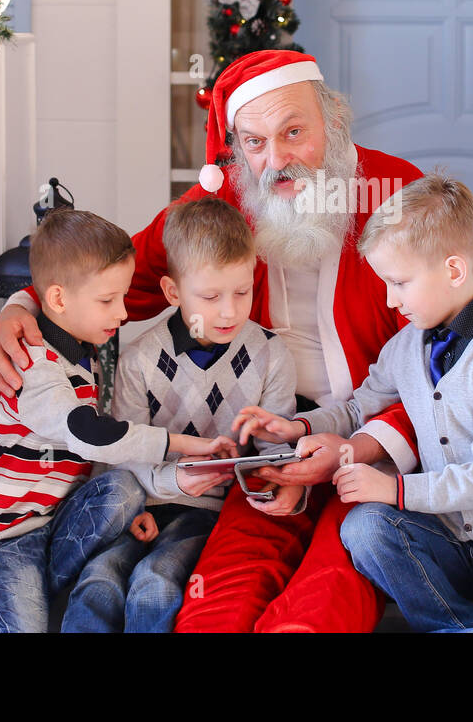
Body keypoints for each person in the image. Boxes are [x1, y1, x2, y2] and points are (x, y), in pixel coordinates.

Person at [0, 49, 423, 632]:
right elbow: (121, 276)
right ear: (236, 150)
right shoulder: (221, 204)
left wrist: (355, 449)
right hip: (255, 447)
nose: (278, 161)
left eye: (295, 132)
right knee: (218, 597)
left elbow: (450, 365)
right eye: (255, 142)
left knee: (330, 585)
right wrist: (24, 304)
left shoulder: (397, 193)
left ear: (334, 125)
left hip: (368, 441)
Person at [235, 174, 473, 632]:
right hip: (447, 537)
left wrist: (394, 490)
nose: (391, 299)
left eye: (399, 283)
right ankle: (445, 622)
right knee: (364, 528)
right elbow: (359, 409)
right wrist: (301, 427)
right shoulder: (407, 344)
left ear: (453, 271)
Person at [0, 208, 234, 633]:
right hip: (0, 536)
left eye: (123, 297)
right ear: (57, 300)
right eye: (108, 301)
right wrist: (184, 444)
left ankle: (42, 596)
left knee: (123, 490)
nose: (123, 313)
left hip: (50, 519)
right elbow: (89, 434)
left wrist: (127, 517)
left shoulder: (78, 342)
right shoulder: (35, 366)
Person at [60, 196, 303, 632]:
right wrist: (166, 485)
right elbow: (124, 452)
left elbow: (274, 453)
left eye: (242, 291)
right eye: (210, 296)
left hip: (208, 512)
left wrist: (270, 471)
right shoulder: (139, 361)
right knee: (99, 582)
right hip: (142, 499)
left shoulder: (270, 355)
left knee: (155, 583)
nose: (229, 310)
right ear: (173, 292)